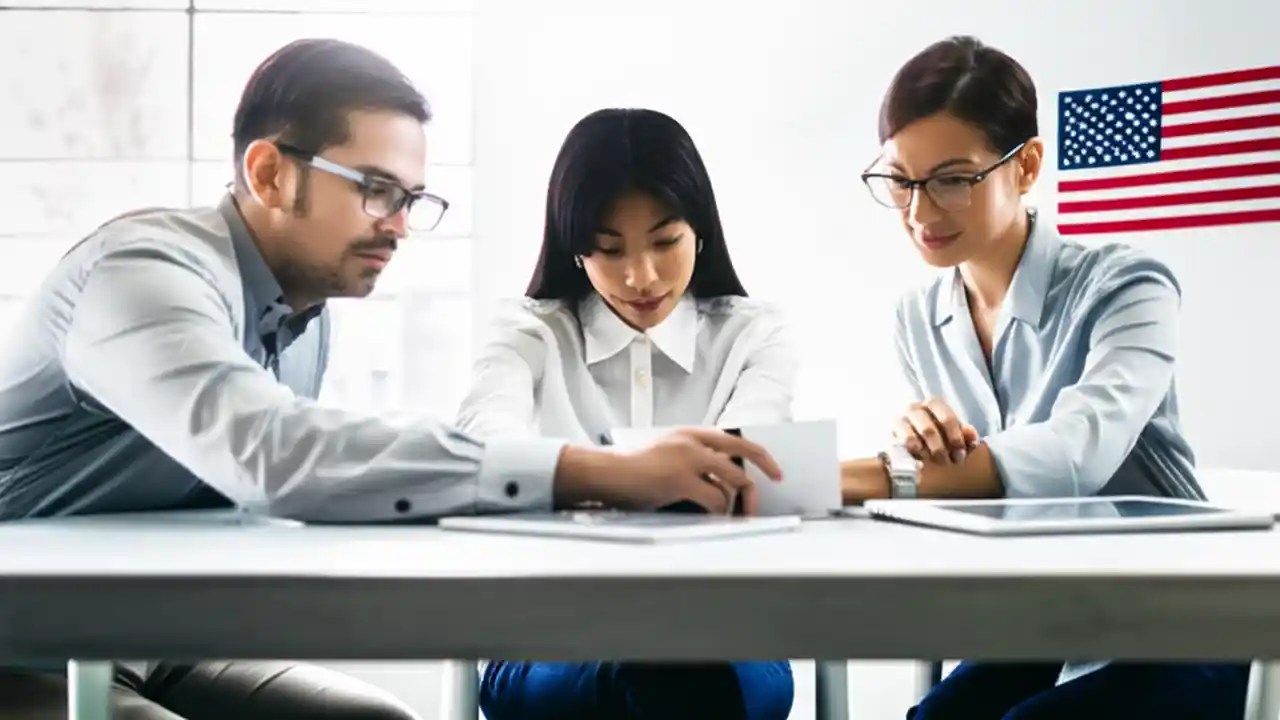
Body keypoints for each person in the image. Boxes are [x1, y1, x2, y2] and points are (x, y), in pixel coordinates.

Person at [0, 41, 779, 719]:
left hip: (154, 642)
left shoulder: (304, 321)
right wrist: (593, 471)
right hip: (22, 645)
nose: (400, 225)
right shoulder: (143, 271)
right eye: (376, 190)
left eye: (411, 199)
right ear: (269, 173)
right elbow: (273, 453)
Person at [837, 35, 1248, 719]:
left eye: (952, 179)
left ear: (1026, 166)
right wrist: (925, 450)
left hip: (1180, 608)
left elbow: (1074, 451)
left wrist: (865, 473)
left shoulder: (1129, 285)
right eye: (902, 180)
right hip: (1046, 609)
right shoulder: (919, 316)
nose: (919, 212)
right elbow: (974, 493)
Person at [456, 108, 796, 720]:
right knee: (656, 679)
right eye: (609, 250)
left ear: (701, 232)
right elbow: (482, 451)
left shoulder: (753, 337)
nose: (642, 276)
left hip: (728, 630)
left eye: (666, 242)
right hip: (548, 633)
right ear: (575, 252)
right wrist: (639, 477)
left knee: (680, 668)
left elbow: (744, 472)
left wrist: (570, 486)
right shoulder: (527, 333)